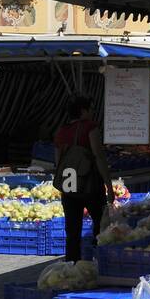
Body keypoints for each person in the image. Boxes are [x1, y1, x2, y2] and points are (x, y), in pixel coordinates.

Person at [53, 94, 113, 261]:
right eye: (91, 109)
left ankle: (72, 265)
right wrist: (108, 186)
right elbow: (99, 157)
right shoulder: (90, 128)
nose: (93, 112)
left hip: (69, 187)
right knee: (100, 225)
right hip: (90, 184)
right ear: (83, 111)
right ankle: (100, 261)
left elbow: (58, 162)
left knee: (72, 231)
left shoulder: (61, 131)